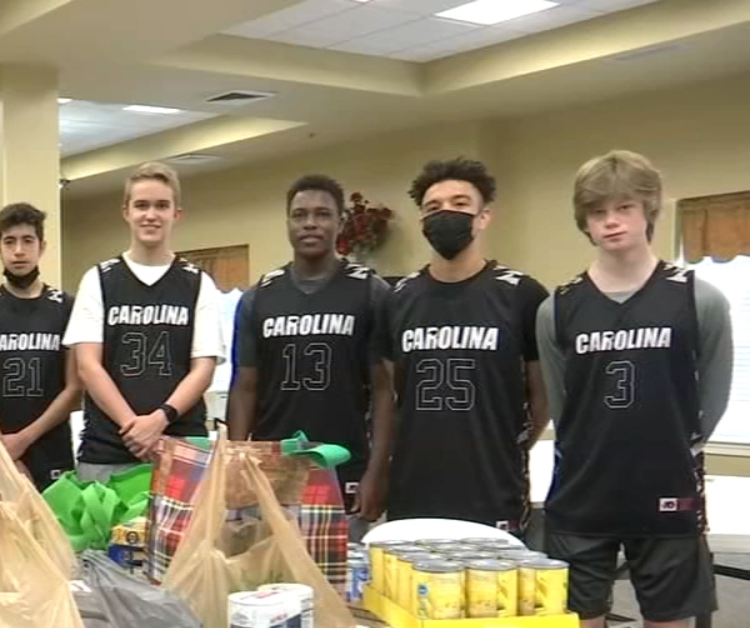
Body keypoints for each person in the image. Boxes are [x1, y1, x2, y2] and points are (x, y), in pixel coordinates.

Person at [532, 151, 733, 628]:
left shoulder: (695, 296)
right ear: (584, 221)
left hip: (667, 492)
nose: (611, 221)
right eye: (597, 211)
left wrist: (667, 452)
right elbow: (565, 407)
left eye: (623, 207)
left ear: (649, 208)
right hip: (583, 494)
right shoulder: (559, 307)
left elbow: (711, 400)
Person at [376, 158, 548, 532]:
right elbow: (388, 394)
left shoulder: (522, 294)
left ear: (484, 217)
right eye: (433, 208)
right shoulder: (398, 298)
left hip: (493, 485)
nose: (446, 214)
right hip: (414, 484)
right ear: (422, 222)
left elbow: (543, 395)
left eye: (460, 204)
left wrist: (509, 445)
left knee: (493, 591)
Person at [226, 175, 394, 522]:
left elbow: (384, 391)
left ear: (340, 221)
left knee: (344, 574)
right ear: (288, 222)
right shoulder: (259, 298)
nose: (310, 224)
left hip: (345, 464)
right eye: (300, 215)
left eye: (322, 214)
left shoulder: (370, 293)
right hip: (273, 465)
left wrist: (377, 472)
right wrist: (236, 463)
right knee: (271, 572)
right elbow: (244, 388)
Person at [63, 162, 224, 480]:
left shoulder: (197, 283)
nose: (151, 215)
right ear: (126, 212)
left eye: (162, 205)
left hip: (182, 448)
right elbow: (88, 366)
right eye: (142, 205)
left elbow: (203, 368)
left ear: (176, 213)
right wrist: (135, 428)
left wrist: (159, 420)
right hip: (108, 450)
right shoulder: (98, 280)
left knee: (191, 533)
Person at [0, 202, 79, 491]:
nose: (18, 251)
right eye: (9, 241)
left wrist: (25, 438)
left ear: (42, 246)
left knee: (56, 532)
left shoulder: (65, 307)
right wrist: (2, 447)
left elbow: (74, 388)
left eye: (28, 241)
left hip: (51, 446)